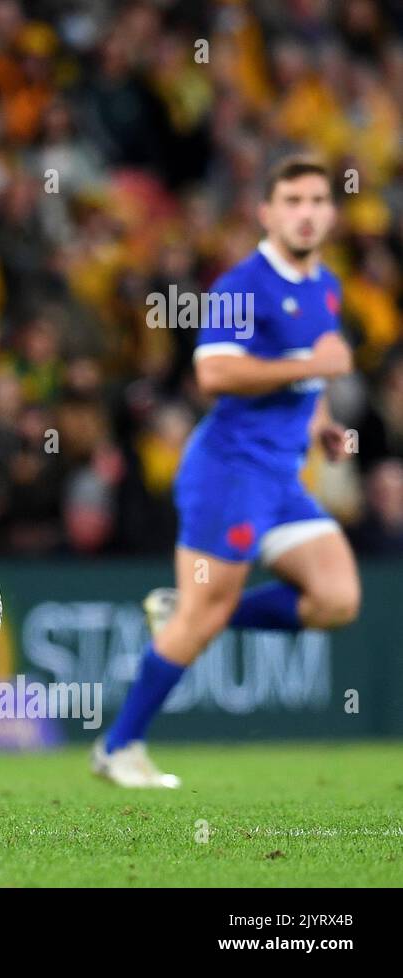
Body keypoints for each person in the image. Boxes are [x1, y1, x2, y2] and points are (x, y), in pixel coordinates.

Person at [94, 156, 360, 788]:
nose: (307, 212)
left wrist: (319, 419)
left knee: (337, 599)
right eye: (292, 200)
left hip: (281, 480)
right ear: (266, 213)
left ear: (331, 211)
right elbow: (214, 373)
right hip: (228, 474)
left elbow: (308, 370)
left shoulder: (326, 285)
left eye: (318, 200)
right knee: (202, 620)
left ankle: (186, 608)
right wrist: (307, 367)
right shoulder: (243, 284)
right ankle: (119, 748)